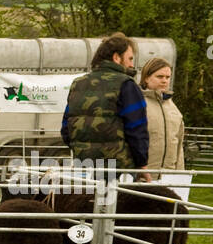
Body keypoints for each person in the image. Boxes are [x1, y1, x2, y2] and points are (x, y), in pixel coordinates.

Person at [61, 32, 148, 175]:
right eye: (130, 59)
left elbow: (66, 129)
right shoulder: (127, 85)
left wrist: (82, 150)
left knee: (86, 197)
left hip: (83, 169)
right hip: (118, 171)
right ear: (116, 57)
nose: (132, 64)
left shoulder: (78, 83)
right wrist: (142, 163)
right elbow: (137, 129)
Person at [139, 56, 184, 173]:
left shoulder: (174, 110)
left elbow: (179, 148)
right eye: (160, 77)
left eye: (167, 77)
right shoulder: (136, 105)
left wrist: (180, 176)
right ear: (146, 78)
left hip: (168, 179)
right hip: (141, 178)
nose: (164, 80)